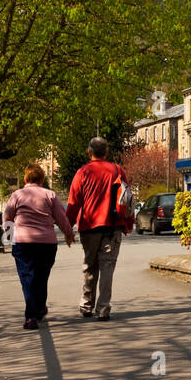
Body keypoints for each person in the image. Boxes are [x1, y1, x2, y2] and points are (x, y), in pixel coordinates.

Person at [65, 137, 133, 321]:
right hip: (113, 226)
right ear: (107, 152)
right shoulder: (117, 170)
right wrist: (128, 223)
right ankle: (103, 308)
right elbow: (126, 198)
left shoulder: (82, 173)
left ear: (89, 152)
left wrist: (67, 229)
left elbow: (73, 203)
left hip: (89, 226)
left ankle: (86, 304)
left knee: (89, 265)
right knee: (107, 267)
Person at [3, 164, 74, 330]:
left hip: (23, 243)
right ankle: (39, 308)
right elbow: (61, 218)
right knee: (41, 277)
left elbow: (7, 217)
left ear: (26, 179)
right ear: (42, 179)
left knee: (28, 279)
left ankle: (31, 316)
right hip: (46, 244)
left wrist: (8, 237)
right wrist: (69, 234)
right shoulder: (50, 195)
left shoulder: (17, 195)